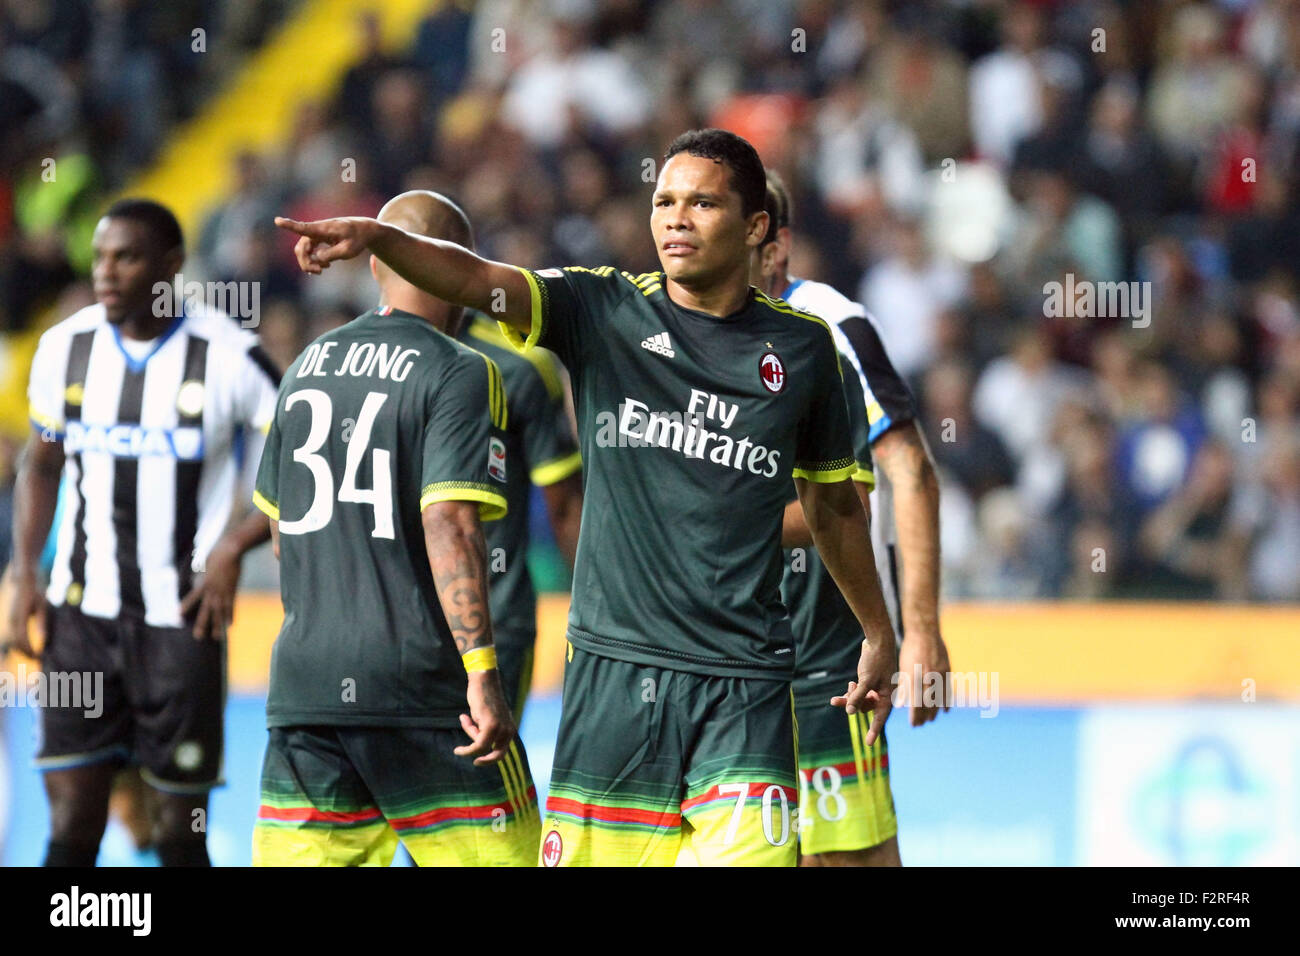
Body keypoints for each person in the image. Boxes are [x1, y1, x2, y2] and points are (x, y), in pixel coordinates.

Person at [275, 128, 898, 868]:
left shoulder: (803, 352)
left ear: (756, 225)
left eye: (702, 203)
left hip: (746, 684)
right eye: (664, 202)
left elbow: (833, 509)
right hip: (612, 680)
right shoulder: (600, 309)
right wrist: (380, 236)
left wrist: (878, 631)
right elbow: (476, 278)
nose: (676, 219)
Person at [251, 190, 540, 867]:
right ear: (454, 266)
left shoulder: (305, 367)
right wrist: (482, 671)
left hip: (305, 692)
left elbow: (282, 534)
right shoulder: (464, 371)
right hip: (426, 691)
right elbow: (451, 521)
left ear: (380, 264)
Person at [2, 198, 279, 867]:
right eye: (100, 256)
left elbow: (304, 471)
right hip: (79, 619)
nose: (107, 271)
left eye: (126, 257)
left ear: (171, 266)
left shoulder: (231, 355)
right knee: (72, 823)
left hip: (182, 623)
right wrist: (25, 573)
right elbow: (40, 466)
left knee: (180, 832)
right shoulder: (64, 350)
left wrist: (232, 548)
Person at [754, 173, 951, 866]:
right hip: (710, 659)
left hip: (823, 662)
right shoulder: (674, 327)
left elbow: (911, 470)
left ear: (775, 246)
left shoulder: (830, 324)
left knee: (849, 858)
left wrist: (919, 630)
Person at [456, 315, 581, 721]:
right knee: (486, 777)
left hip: (488, 620)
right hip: (490, 621)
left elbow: (565, 509)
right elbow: (564, 509)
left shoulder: (521, 365)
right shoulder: (516, 365)